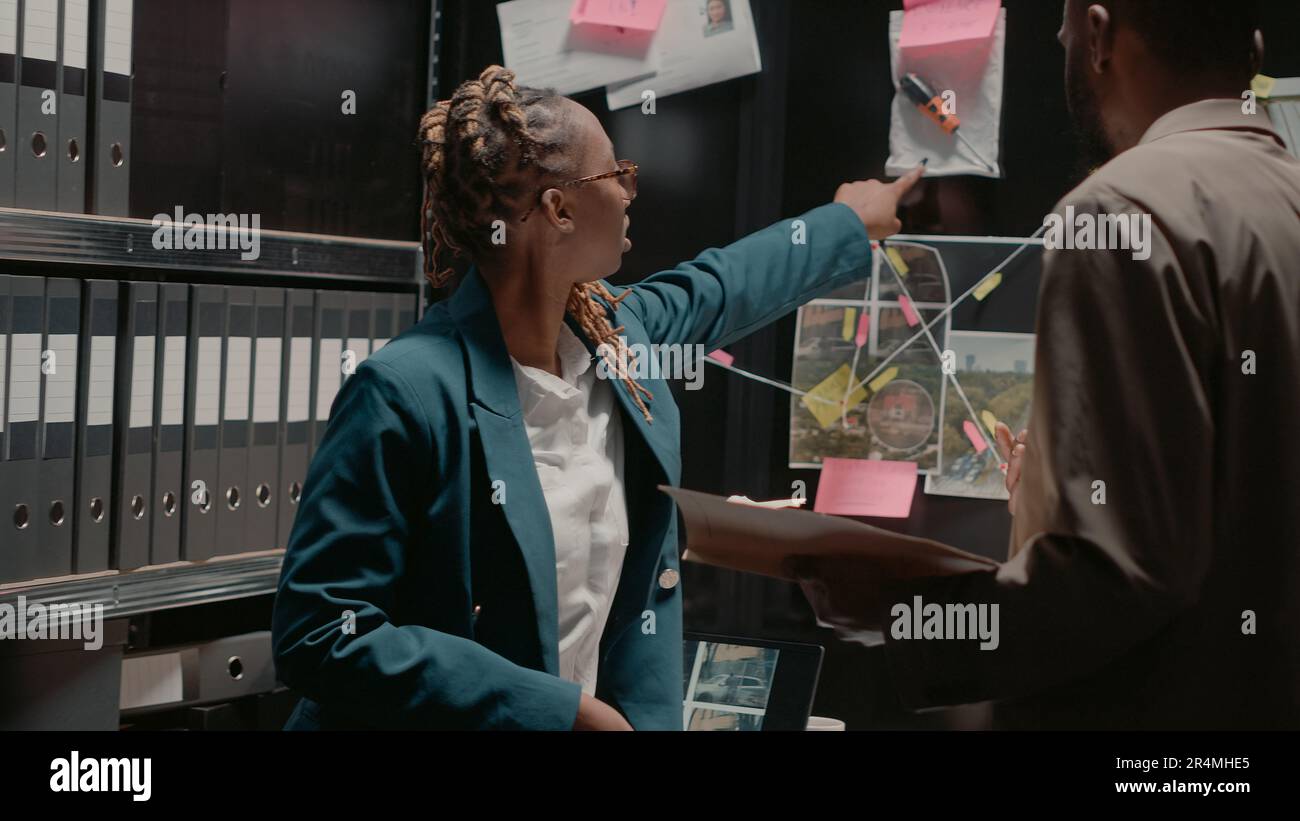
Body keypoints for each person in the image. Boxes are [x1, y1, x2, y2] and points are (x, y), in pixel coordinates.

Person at [271, 64, 922, 730]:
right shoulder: (403, 393)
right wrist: (563, 712)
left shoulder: (616, 334)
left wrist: (846, 222)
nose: (631, 190)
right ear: (559, 210)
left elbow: (723, 285)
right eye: (617, 173)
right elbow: (321, 632)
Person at [793, 0, 1300, 729]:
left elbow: (1117, 574)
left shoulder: (1117, 212)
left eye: (1062, 26)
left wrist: (905, 616)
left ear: (1097, 35)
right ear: (1252, 49)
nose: (1060, 41)